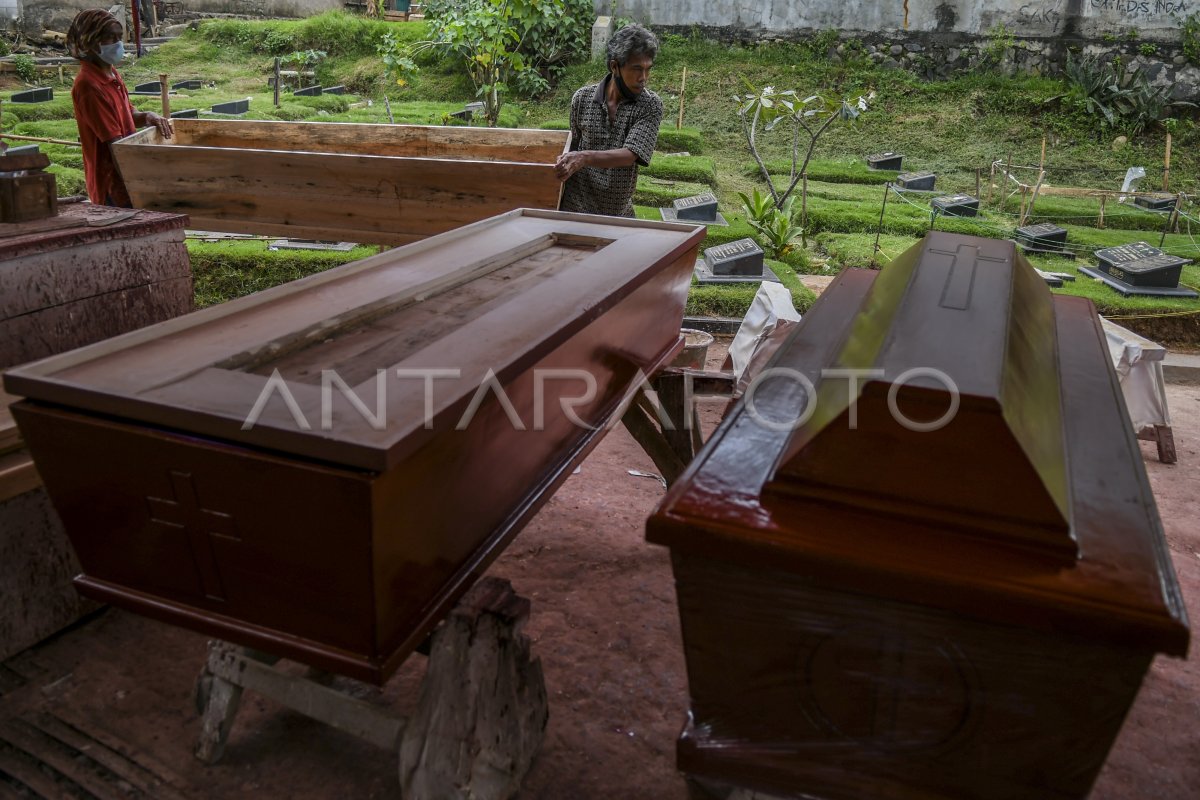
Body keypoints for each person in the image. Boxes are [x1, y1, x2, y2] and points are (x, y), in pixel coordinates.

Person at [66, 9, 173, 207]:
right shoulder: (88, 85)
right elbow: (115, 145)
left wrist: (147, 116)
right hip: (113, 185)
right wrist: (141, 183)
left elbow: (127, 113)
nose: (118, 43)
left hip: (128, 176)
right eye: (110, 37)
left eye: (119, 36)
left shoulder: (111, 73)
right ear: (90, 41)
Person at [555, 24, 662, 218]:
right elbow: (573, 147)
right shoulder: (582, 99)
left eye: (648, 69)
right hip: (574, 209)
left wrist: (583, 157)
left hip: (618, 214)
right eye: (637, 69)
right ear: (615, 66)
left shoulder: (650, 105)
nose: (643, 77)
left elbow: (631, 154)